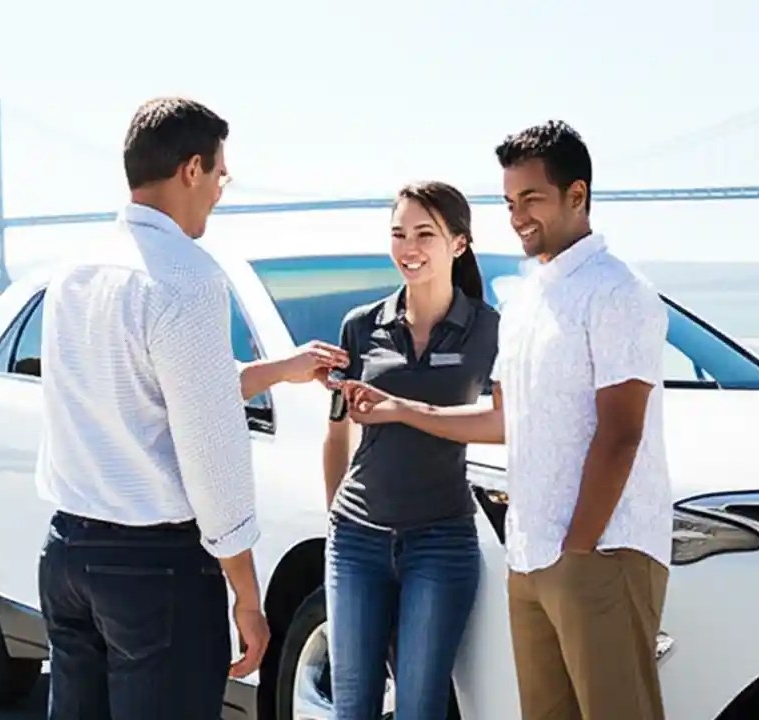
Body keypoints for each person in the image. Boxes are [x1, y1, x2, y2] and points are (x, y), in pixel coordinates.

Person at [340, 121, 672, 720]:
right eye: (510, 201)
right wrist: (400, 409)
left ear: (577, 195)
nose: (518, 216)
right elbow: (504, 420)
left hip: (601, 552)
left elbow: (621, 433)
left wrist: (577, 548)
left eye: (532, 198)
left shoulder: (618, 291)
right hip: (531, 556)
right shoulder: (525, 303)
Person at [34, 96, 346, 719]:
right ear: (192, 169)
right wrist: (247, 594)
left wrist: (279, 370)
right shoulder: (187, 277)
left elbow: (149, 392)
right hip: (154, 571)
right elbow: (211, 451)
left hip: (66, 554)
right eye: (220, 175)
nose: (220, 192)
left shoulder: (74, 270)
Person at [322, 181, 499, 719]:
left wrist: (401, 408)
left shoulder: (490, 330)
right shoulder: (360, 326)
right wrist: (335, 519)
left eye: (425, 234)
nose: (408, 248)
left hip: (440, 541)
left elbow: (503, 425)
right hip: (356, 541)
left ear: (459, 244)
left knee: (420, 707)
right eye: (398, 234)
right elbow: (336, 432)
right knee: (352, 707)